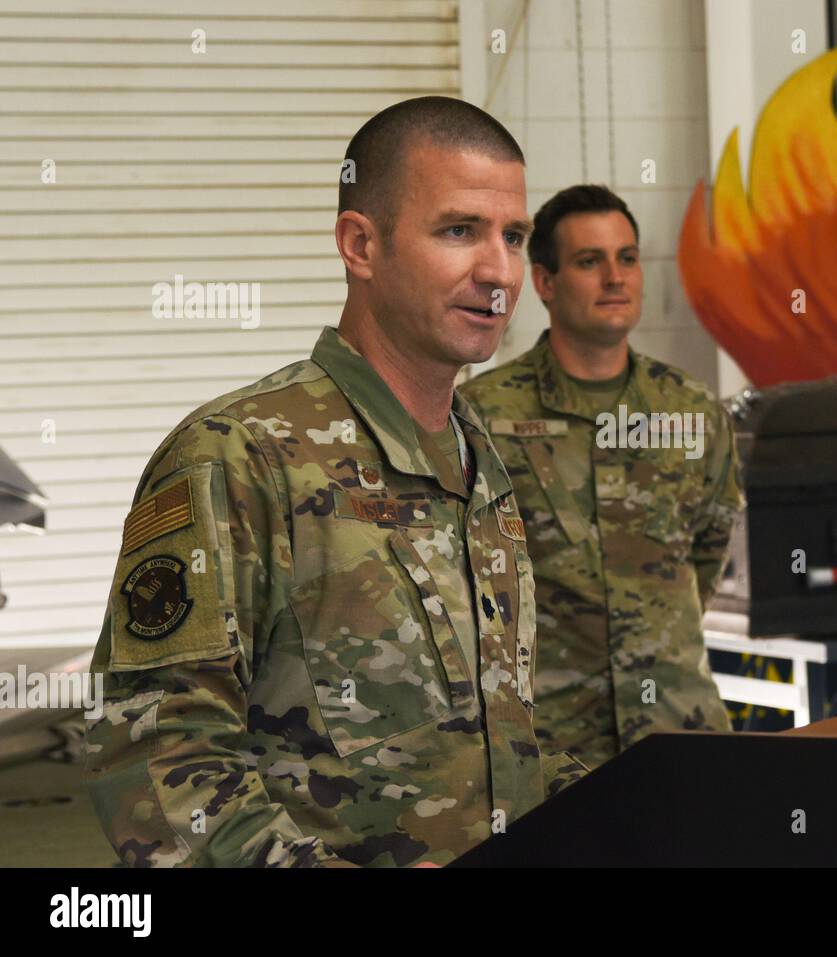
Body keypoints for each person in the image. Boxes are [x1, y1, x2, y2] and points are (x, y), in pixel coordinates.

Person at [83, 96, 582, 868]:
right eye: (459, 230)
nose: (498, 271)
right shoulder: (240, 455)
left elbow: (499, 734)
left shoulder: (479, 460)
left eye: (513, 236)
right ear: (361, 244)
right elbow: (157, 758)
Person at [462, 185, 744, 770]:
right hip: (547, 748)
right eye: (590, 262)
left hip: (680, 730)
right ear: (544, 282)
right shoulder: (481, 415)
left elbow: (705, 560)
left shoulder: (692, 412)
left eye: (628, 258)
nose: (615, 278)